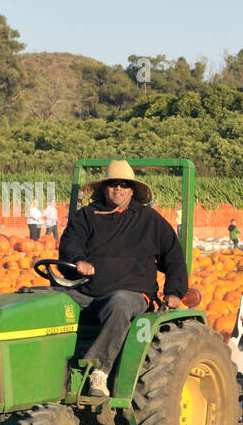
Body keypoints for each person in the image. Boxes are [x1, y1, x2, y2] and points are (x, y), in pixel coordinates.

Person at [58, 160, 187, 397]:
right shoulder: (87, 216)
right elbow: (70, 244)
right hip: (87, 292)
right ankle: (53, 369)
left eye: (124, 184)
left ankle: (98, 372)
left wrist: (174, 292)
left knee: (118, 303)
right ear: (104, 188)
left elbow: (174, 256)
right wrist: (78, 260)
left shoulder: (149, 220)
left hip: (132, 294)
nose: (118, 188)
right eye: (113, 184)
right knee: (44, 300)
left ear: (132, 190)